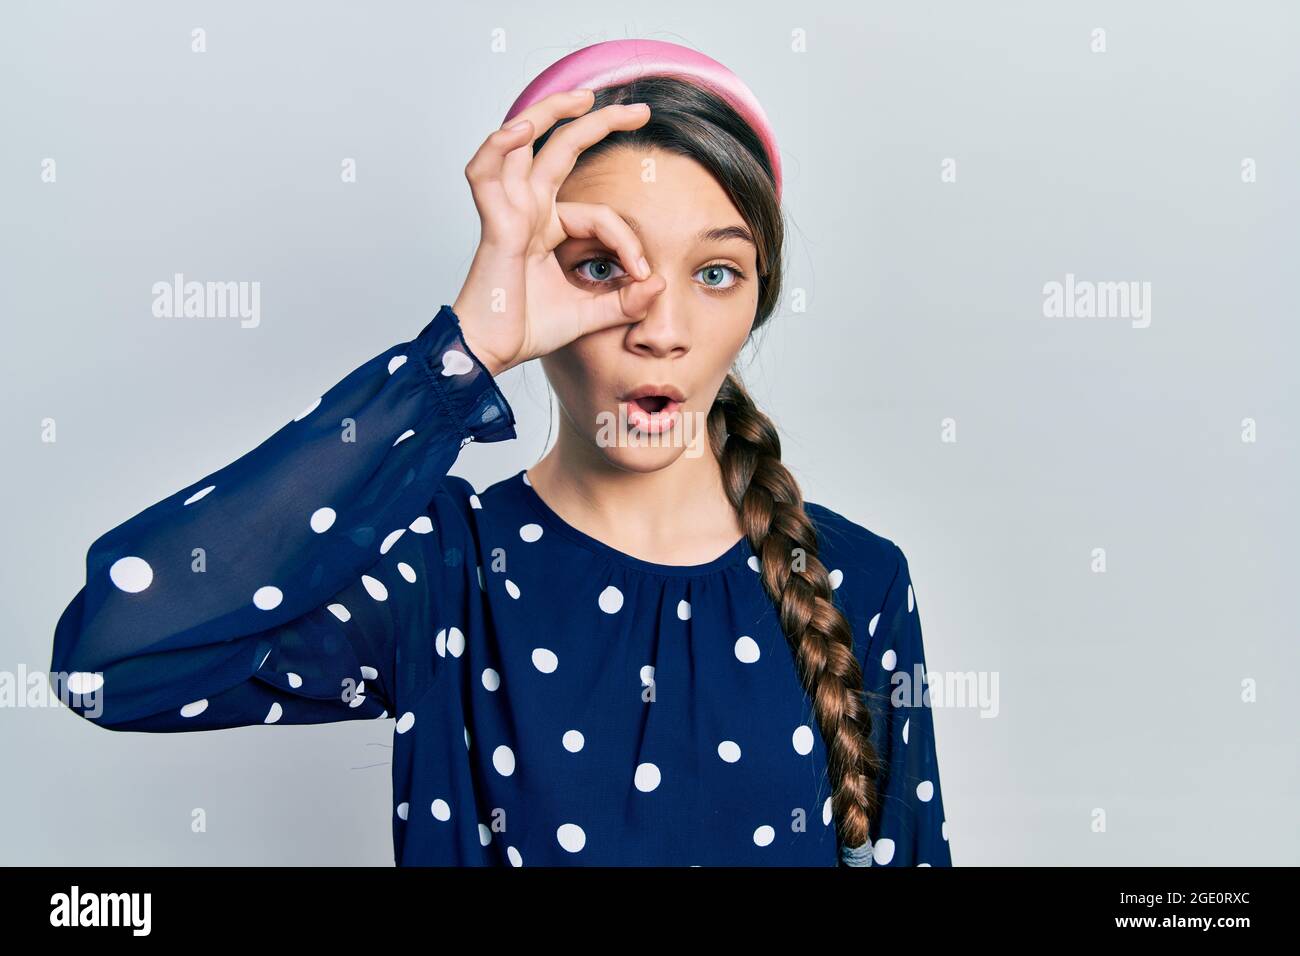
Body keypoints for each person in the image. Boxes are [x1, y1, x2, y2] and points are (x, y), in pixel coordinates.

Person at [50, 39, 951, 867]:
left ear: (757, 299)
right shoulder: (446, 573)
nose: (664, 330)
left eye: (716, 273)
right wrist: (458, 358)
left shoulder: (857, 580)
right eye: (602, 266)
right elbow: (108, 663)